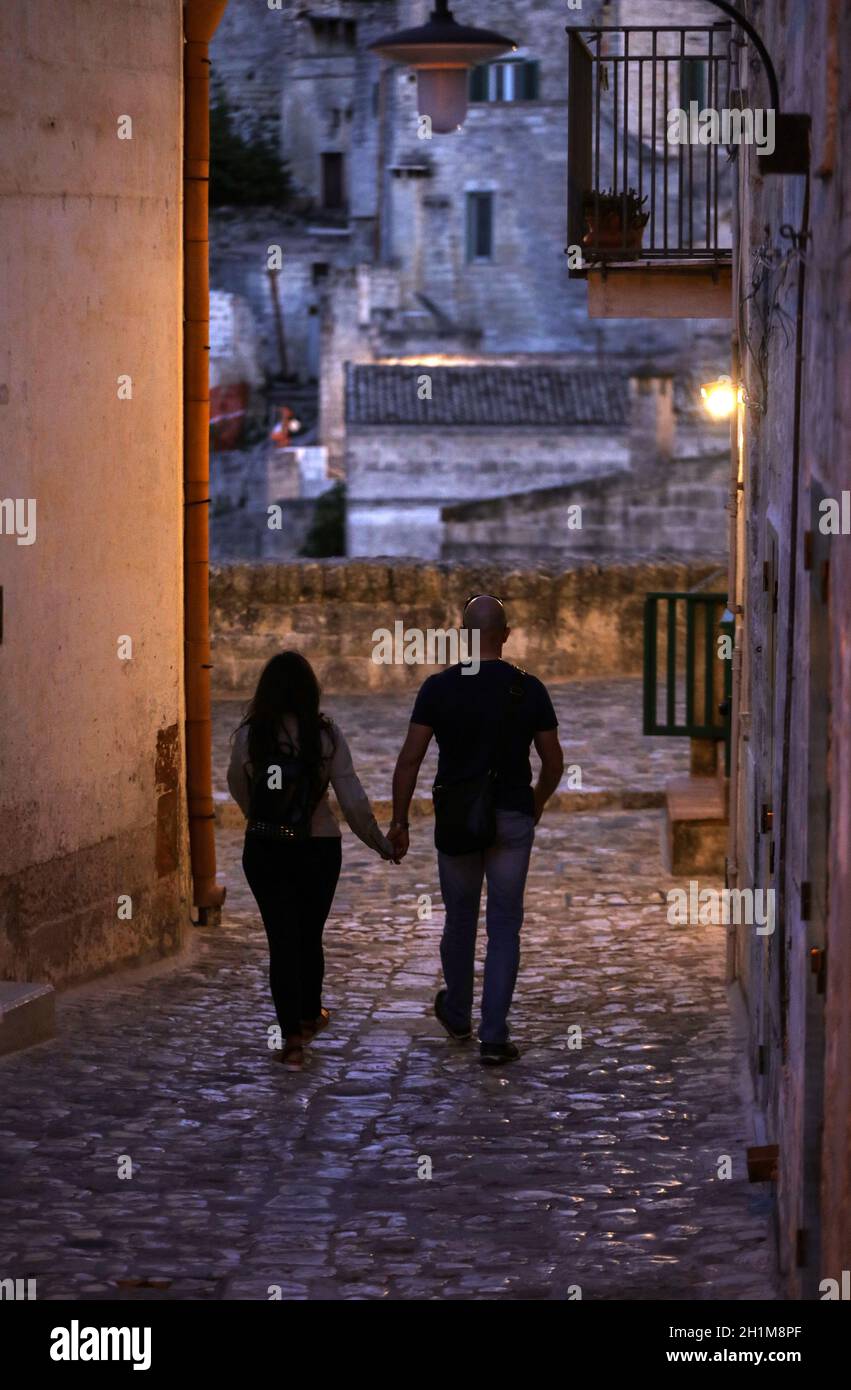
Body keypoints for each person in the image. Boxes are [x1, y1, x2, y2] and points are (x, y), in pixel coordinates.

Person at [389, 596, 564, 1066]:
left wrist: (399, 820)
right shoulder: (529, 690)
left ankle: (458, 1012)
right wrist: (535, 804)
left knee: (460, 918)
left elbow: (410, 760)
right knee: (505, 923)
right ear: (505, 635)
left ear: (462, 636)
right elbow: (553, 761)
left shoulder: (438, 689)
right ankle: (493, 1034)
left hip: (458, 819)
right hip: (511, 815)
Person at [228, 651, 396, 1070]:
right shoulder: (325, 735)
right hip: (318, 847)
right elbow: (351, 798)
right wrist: (380, 842)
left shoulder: (251, 736)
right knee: (308, 934)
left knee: (281, 939)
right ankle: (309, 1014)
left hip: (266, 848)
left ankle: (292, 1042)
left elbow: (238, 787)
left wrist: (262, 820)